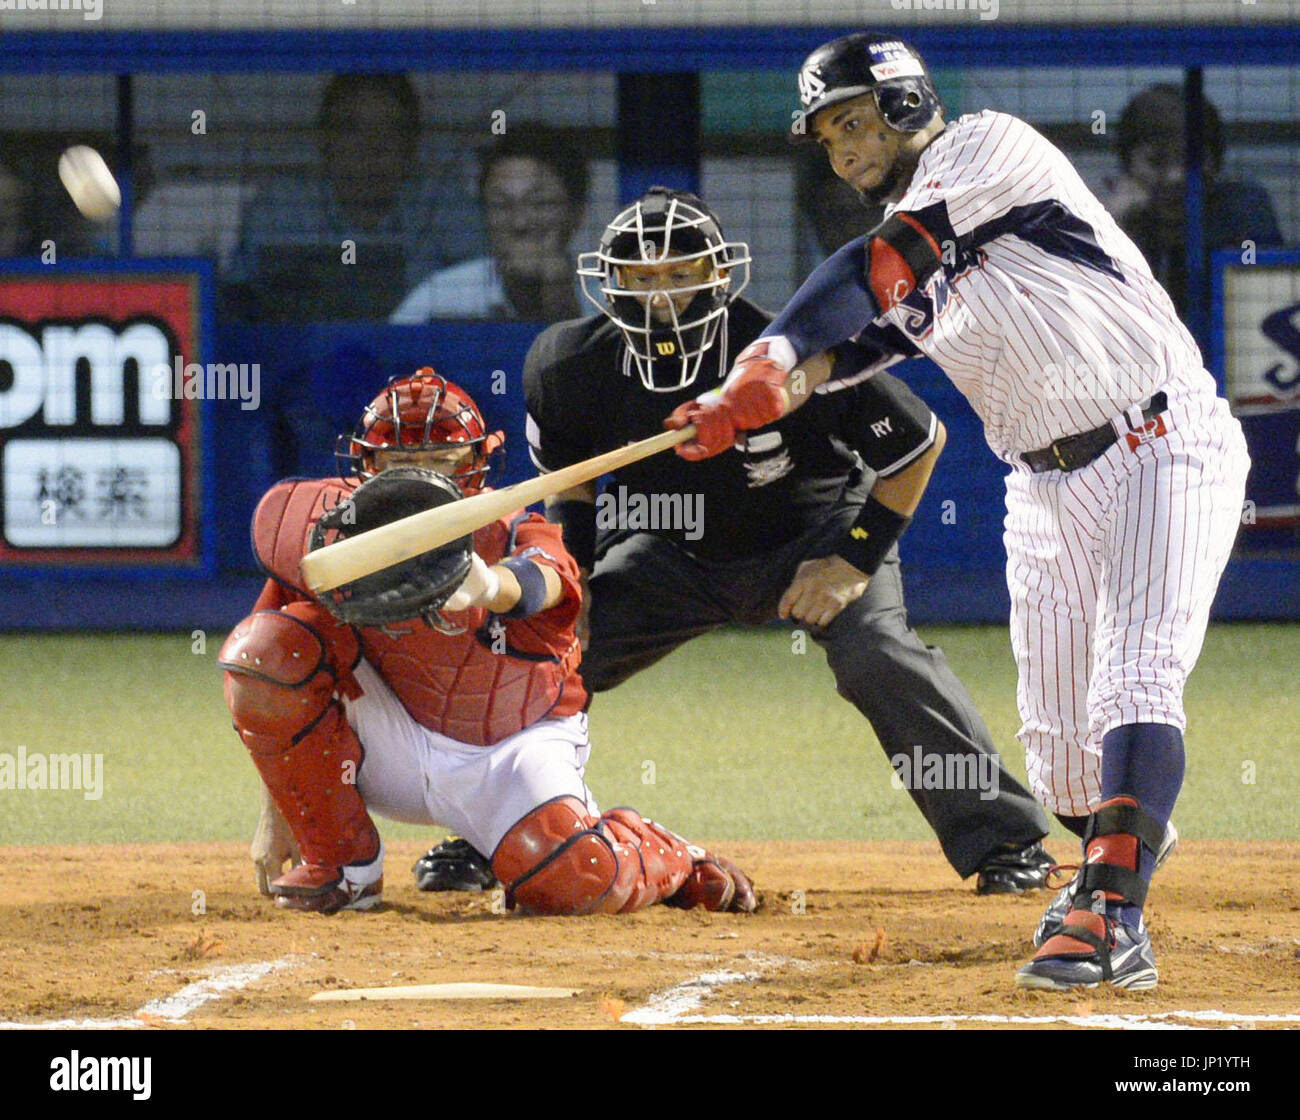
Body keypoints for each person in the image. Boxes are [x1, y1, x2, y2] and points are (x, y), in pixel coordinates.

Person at [668, 34, 1250, 992]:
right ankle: (1127, 835)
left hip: (1159, 443)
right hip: (1045, 485)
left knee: (1134, 680)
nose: (843, 149)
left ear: (905, 105)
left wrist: (765, 357)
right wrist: (765, 398)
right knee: (1065, 767)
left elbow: (874, 269)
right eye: (825, 137)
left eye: (854, 121)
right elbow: (859, 345)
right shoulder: (917, 236)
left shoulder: (985, 149)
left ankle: (1110, 915)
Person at [416, 186, 1055, 897]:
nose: (662, 295)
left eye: (681, 273)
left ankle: (1006, 842)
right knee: (546, 649)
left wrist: (852, 562)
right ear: (609, 279)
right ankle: (491, 833)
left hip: (814, 538)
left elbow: (918, 445)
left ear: (719, 275)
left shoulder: (789, 353)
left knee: (879, 655)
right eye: (641, 276)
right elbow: (572, 489)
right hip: (675, 554)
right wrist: (577, 585)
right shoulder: (568, 366)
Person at [220, 368, 755, 917]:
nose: (418, 478)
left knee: (574, 878)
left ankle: (665, 853)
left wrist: (489, 584)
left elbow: (546, 582)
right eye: (400, 461)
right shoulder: (331, 538)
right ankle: (342, 867)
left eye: (440, 461)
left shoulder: (517, 532)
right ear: (367, 467)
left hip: (509, 748)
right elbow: (263, 678)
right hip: (385, 742)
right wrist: (279, 809)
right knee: (263, 649)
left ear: (475, 465)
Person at [225, 74, 483, 321]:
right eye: (352, 129)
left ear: (412, 146)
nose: (370, 147)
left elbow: (482, 300)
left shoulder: (445, 207)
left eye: (389, 130)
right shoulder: (281, 209)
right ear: (324, 140)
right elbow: (237, 306)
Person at [1107, 83, 1283, 320]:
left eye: (1192, 160)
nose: (1176, 176)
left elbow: (1267, 298)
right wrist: (1110, 227)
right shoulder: (1112, 217)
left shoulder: (1244, 208)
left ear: (1216, 162)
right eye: (1157, 161)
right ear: (1127, 165)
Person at [390, 127, 588, 322]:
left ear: (576, 212)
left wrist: (562, 300)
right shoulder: (440, 296)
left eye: (540, 203)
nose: (520, 222)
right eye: (501, 205)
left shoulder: (612, 296)